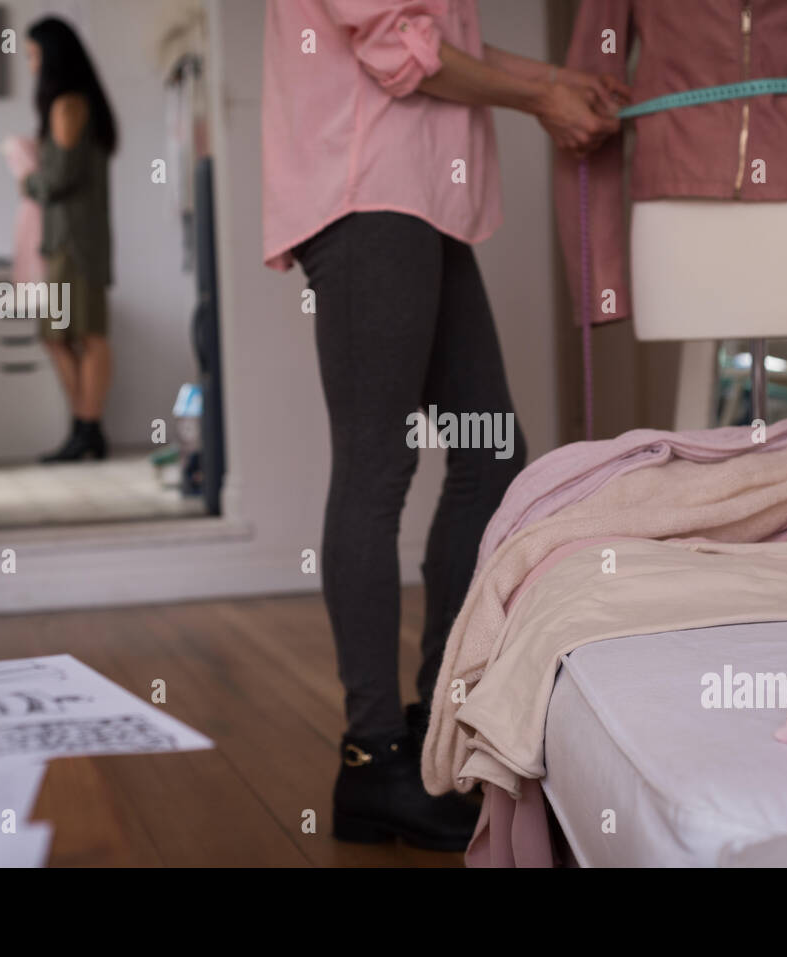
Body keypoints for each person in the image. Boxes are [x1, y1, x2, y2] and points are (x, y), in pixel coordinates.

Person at [263, 0, 627, 851]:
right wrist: (540, 101)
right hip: (367, 200)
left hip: (415, 201)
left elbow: (437, 36)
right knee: (376, 469)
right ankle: (370, 758)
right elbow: (400, 51)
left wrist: (554, 79)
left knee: (489, 452)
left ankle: (433, 724)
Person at [23, 16, 117, 462]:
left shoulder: (68, 105)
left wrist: (28, 181)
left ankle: (88, 428)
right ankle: (85, 428)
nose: (29, 64)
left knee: (85, 334)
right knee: (62, 333)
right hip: (73, 242)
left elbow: (59, 177)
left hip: (73, 245)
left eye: (33, 54)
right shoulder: (76, 105)